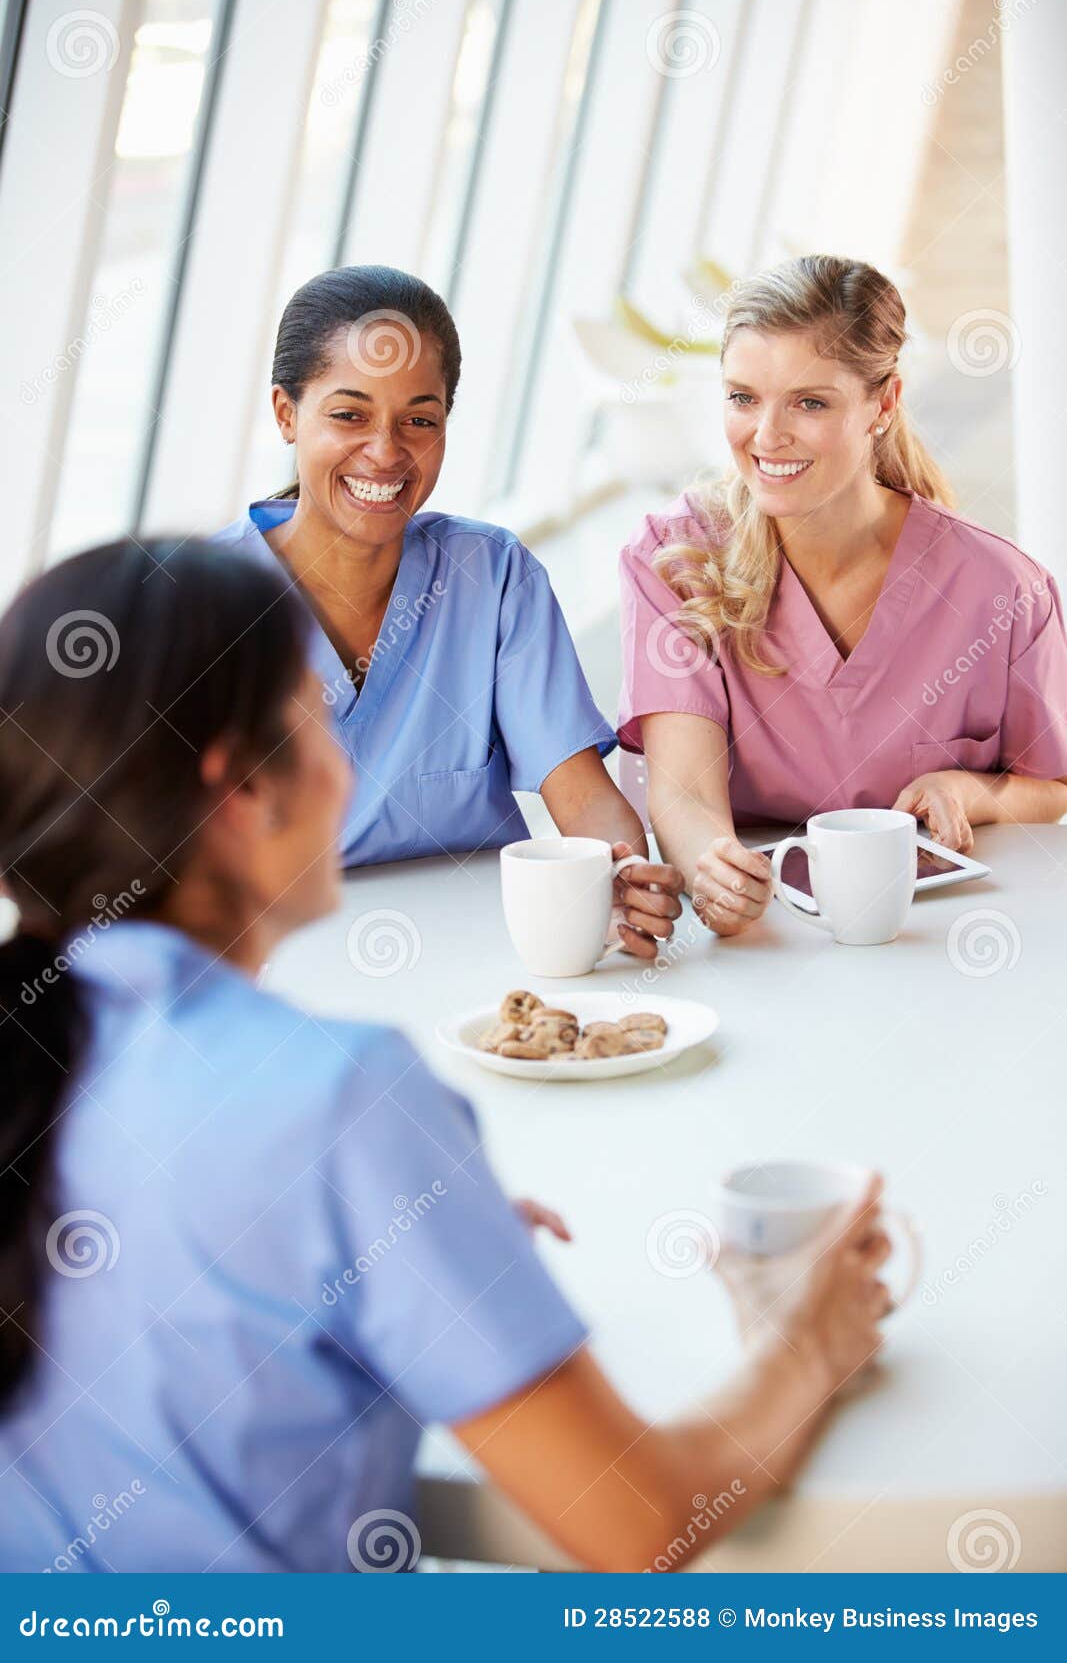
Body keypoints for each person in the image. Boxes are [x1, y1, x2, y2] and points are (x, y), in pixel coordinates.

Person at [0, 538, 891, 1573]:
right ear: (239, 788)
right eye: (313, 718)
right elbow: (638, 1522)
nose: (344, 765)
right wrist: (808, 1346)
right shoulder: (338, 1100)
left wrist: (357, 1245)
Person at [214, 264, 681, 961]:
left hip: (481, 956)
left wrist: (616, 872)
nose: (385, 451)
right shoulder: (202, 602)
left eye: (419, 420)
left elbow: (580, 794)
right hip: (278, 960)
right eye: (349, 414)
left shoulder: (491, 576)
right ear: (287, 414)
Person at [619, 255, 1067, 937]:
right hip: (763, 930)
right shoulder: (674, 558)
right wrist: (711, 867)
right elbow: (682, 789)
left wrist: (968, 791)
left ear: (882, 403)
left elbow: (1049, 787)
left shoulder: (1002, 590)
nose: (766, 436)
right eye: (742, 397)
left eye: (809, 402)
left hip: (940, 930)